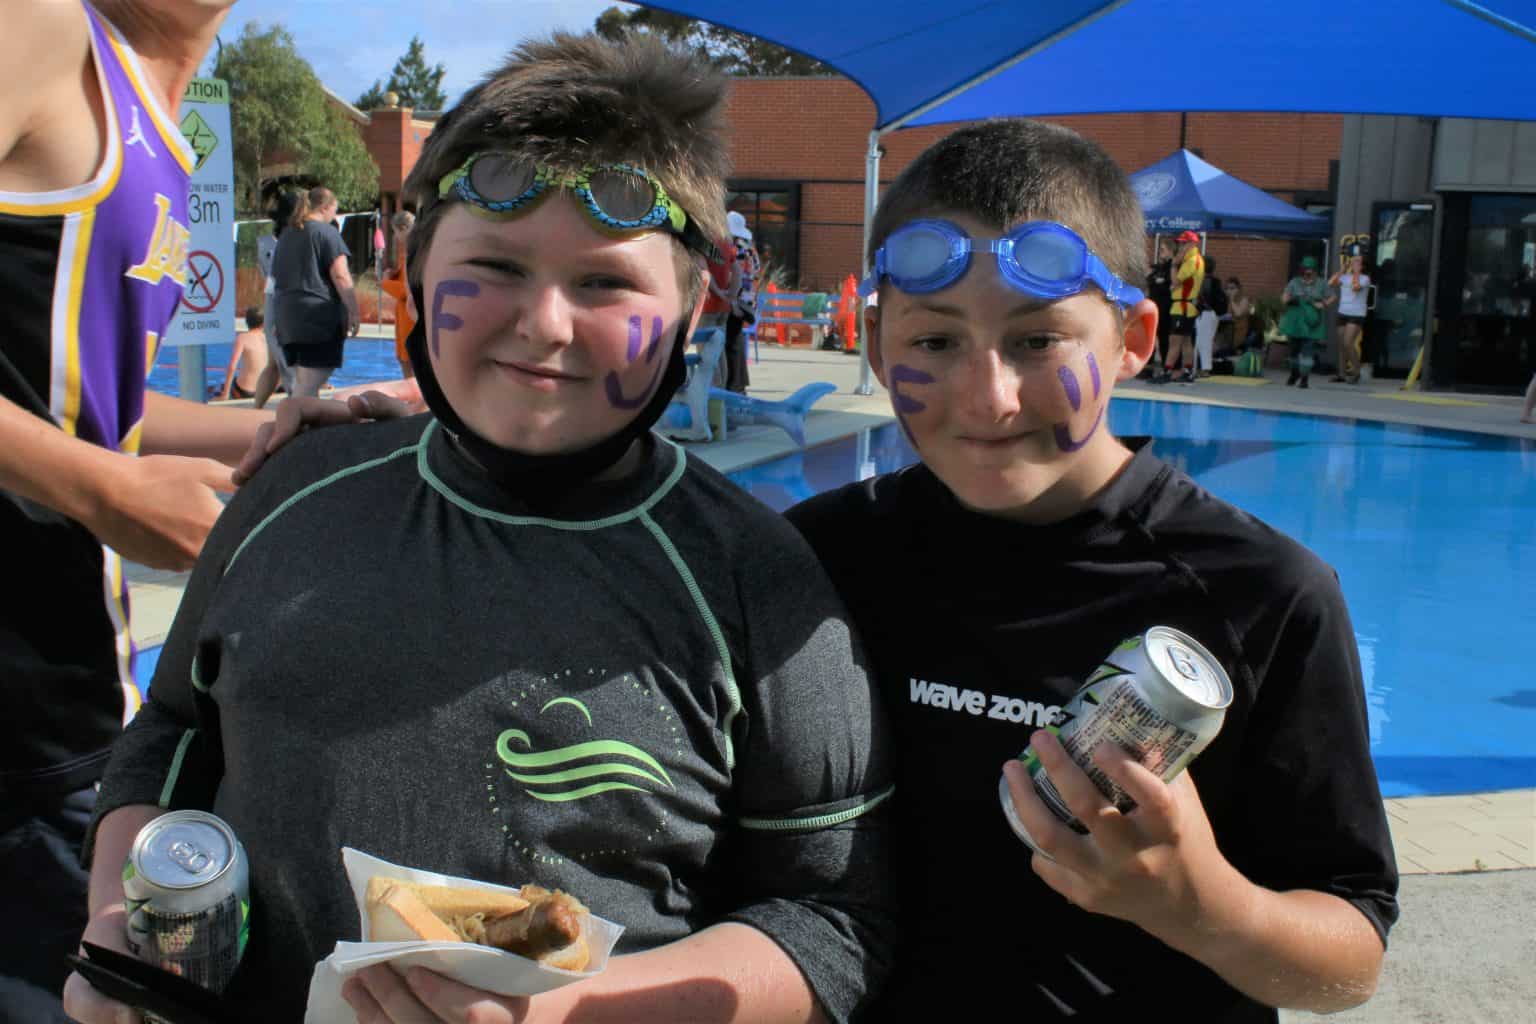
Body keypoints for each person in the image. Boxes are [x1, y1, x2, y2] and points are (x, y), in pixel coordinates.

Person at [68, 32, 894, 1024]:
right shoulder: (295, 488)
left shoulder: (755, 581)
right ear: (416, 283)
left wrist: (570, 1013)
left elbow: (833, 918)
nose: (544, 324)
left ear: (691, 309)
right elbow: (169, 733)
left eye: (604, 283)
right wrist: (118, 913)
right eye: (495, 267)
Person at [785, 119, 1398, 1022]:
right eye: (936, 343)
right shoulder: (815, 558)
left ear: (1134, 338)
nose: (989, 398)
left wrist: (1201, 907)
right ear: (877, 345)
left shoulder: (1263, 595)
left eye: (1038, 341)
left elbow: (1351, 964)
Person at [0, 3, 279, 1021]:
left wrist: (280, 429)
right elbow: (90, 460)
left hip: (69, 685)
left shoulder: (159, 116)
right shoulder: (38, 27)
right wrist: (103, 491)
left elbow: (90, 409)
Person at [272, 185, 360, 398]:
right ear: (325, 207)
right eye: (334, 211)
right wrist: (354, 311)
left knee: (304, 383)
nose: (334, 216)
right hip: (317, 319)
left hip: (288, 319)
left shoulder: (286, 235)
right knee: (309, 385)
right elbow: (340, 275)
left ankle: (304, 418)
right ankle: (291, 418)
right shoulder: (326, 233)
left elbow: (277, 278)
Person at [252, 189, 300, 408]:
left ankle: (255, 409)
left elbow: (266, 275)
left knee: (273, 365)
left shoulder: (269, 242)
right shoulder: (292, 240)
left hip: (271, 299)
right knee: (292, 366)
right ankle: (298, 411)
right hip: (283, 301)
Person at [1280, 255, 1332, 388]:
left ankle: (1304, 379)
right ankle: (1294, 373)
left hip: (1312, 322)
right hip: (1295, 322)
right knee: (1294, 350)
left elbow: (1332, 296)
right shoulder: (1294, 282)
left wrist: (1323, 304)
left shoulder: (1321, 283)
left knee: (1307, 352)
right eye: (1305, 270)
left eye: (1310, 270)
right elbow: (1284, 297)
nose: (1307, 273)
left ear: (1315, 270)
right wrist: (1288, 299)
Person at [724, 209, 760, 393]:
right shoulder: (750, 248)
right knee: (736, 340)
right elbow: (756, 271)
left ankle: (734, 383)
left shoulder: (736, 249)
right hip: (748, 302)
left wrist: (730, 299)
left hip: (737, 301)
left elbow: (732, 274)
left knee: (730, 343)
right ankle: (740, 384)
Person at [379, 208, 418, 378]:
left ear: (403, 229)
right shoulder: (413, 251)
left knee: (409, 362)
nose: (395, 237)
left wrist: (385, 283)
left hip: (410, 317)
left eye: (395, 232)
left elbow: (407, 292)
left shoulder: (413, 253)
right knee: (406, 361)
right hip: (407, 316)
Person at [1163, 229, 1204, 383]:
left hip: (1183, 307)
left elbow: (1175, 282)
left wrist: (1174, 265)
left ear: (1193, 244)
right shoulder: (1192, 259)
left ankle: (1167, 372)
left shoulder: (1192, 260)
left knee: (1174, 340)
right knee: (1186, 341)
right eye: (1180, 243)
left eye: (1184, 243)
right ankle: (1187, 372)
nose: (1181, 246)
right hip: (1185, 306)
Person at [1329, 252, 1372, 383]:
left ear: (1362, 266)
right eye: (1353, 261)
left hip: (1356, 314)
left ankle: (1357, 370)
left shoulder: (1365, 278)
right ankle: (1341, 374)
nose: (1354, 263)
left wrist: (1357, 272)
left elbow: (1356, 287)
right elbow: (1330, 283)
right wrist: (1343, 269)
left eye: (1357, 261)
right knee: (1342, 344)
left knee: (1348, 342)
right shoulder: (1345, 277)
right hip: (1343, 312)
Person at [218, 307, 271, 400]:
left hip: (245, 391)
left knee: (223, 386)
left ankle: (224, 393)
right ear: (263, 323)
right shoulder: (268, 339)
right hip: (264, 390)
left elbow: (232, 367)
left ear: (246, 322)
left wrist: (225, 394)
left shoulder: (242, 338)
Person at [1144, 237, 1174, 376]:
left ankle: (1166, 367)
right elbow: (1150, 279)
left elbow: (1168, 283)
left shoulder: (1172, 267)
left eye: (1163, 250)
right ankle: (1148, 366)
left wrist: (1157, 280)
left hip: (1165, 308)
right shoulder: (1158, 268)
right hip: (1154, 306)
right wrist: (1155, 279)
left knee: (1164, 338)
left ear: (1170, 251)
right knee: (1149, 336)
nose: (1160, 252)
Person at [1194, 255, 1224, 377]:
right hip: (1213, 314)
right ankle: (1203, 368)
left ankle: (1204, 369)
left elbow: (1203, 298)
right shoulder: (1216, 281)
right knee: (1206, 341)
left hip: (1205, 313)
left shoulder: (1204, 281)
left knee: (1203, 342)